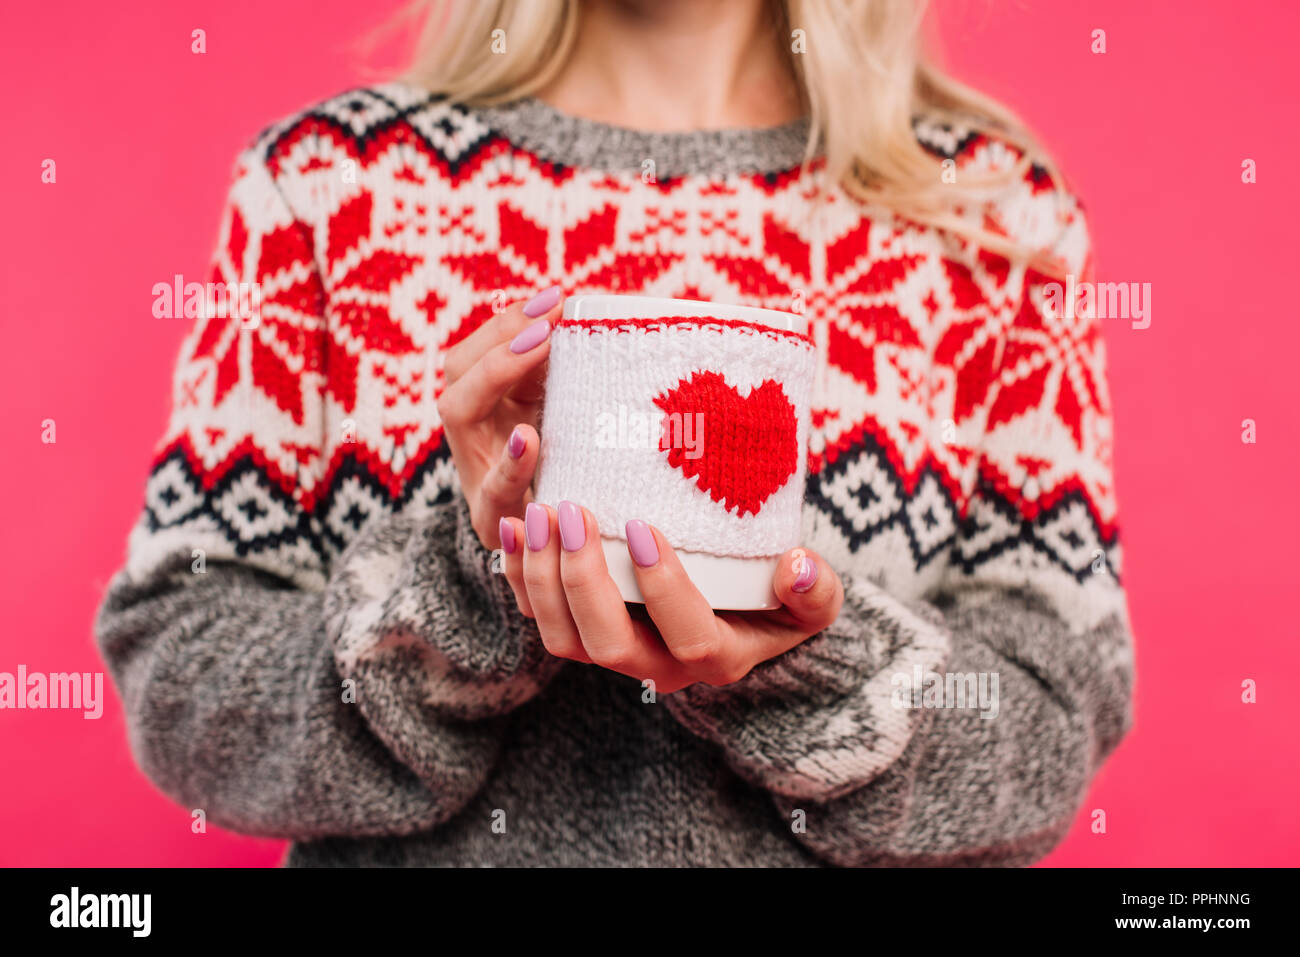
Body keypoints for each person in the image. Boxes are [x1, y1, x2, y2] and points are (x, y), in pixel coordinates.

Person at [96, 0, 1134, 866]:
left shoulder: (996, 217)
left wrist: (807, 670)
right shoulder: (329, 183)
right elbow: (181, 677)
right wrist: (464, 588)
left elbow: (1056, 722)